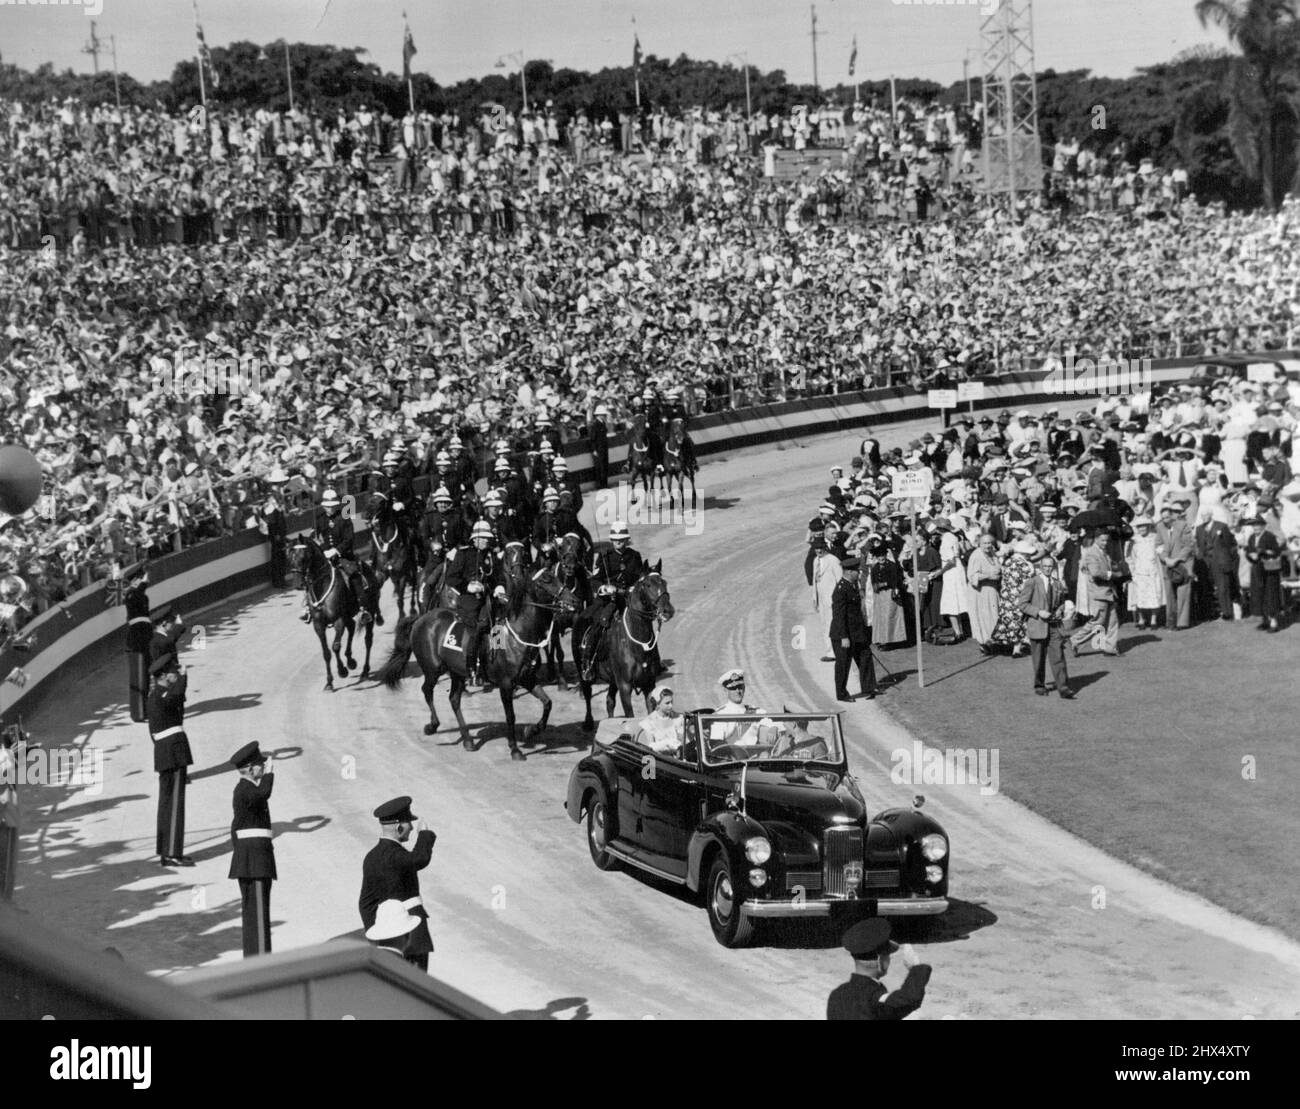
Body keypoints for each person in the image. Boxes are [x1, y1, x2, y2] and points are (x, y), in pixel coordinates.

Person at [358, 796, 437, 971]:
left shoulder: (371, 857)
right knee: (416, 983)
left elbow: (365, 903)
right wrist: (424, 834)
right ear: (399, 826)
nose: (410, 828)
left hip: (387, 928)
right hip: (411, 928)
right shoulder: (394, 855)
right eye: (409, 823)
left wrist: (378, 931)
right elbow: (419, 859)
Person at [827, 918, 931, 1021]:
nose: (889, 959)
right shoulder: (873, 996)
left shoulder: (836, 995)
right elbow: (908, 999)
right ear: (879, 959)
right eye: (888, 955)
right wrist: (916, 968)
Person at [229, 741, 276, 958]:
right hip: (255, 861)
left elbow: (235, 827)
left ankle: (256, 957)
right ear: (249, 768)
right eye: (260, 765)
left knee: (257, 912)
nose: (263, 768)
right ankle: (259, 960)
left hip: (253, 858)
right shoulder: (246, 789)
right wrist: (271, 774)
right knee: (257, 913)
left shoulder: (245, 790)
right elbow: (263, 794)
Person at [146, 654, 195, 866]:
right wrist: (185, 678)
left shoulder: (157, 694)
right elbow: (176, 697)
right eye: (173, 672)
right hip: (172, 752)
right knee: (174, 805)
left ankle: (167, 851)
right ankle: (173, 853)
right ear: (164, 676)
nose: (176, 674)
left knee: (168, 803)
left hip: (167, 752)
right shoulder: (161, 694)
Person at [582, 520, 646, 680]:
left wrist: (633, 588)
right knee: (601, 622)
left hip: (628, 599)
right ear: (612, 540)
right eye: (616, 539)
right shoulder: (605, 556)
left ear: (626, 540)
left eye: (622, 539)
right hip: (609, 600)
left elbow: (640, 578)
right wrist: (604, 588)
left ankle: (653, 660)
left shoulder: (635, 556)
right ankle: (588, 661)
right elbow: (594, 580)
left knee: (645, 622)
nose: (619, 542)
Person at [443, 519, 502, 685]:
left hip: (489, 599)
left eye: (487, 538)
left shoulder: (491, 556)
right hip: (469, 600)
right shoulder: (464, 554)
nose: (485, 541)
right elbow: (451, 578)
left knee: (498, 626)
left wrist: (500, 587)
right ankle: (471, 668)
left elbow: (498, 577)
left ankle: (497, 662)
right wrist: (467, 586)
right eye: (482, 538)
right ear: (474, 539)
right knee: (476, 630)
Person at [1017, 550, 1076, 699]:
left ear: (1054, 567)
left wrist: (1060, 610)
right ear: (1040, 567)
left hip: (1054, 626)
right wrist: (1038, 612)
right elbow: (1022, 604)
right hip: (1038, 625)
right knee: (1039, 658)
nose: (1048, 569)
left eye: (1050, 566)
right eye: (1045, 566)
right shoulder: (1032, 582)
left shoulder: (1057, 583)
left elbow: (1062, 602)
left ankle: (1063, 687)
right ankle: (1039, 685)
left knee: (1058, 657)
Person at [829, 556, 877, 702]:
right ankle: (842, 694)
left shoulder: (852, 585)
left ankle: (869, 687)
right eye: (857, 571)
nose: (859, 573)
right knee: (843, 664)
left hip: (856, 632)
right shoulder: (840, 590)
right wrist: (844, 637)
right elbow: (839, 616)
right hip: (843, 635)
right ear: (849, 572)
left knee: (865, 656)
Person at [1071, 530, 1121, 657]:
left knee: (1112, 621)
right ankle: (1075, 639)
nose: (1105, 543)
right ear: (1096, 539)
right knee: (1098, 621)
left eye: (1106, 540)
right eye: (1102, 540)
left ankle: (1110, 647)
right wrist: (1112, 574)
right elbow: (1095, 572)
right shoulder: (1092, 553)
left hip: (1108, 591)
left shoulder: (1103, 552)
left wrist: (1115, 567)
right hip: (1099, 592)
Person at [1156, 501, 1194, 630]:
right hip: (1167, 565)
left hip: (1182, 564)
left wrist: (1176, 559)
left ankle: (1181, 622)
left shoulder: (1183, 526)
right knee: (1169, 594)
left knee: (1183, 592)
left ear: (1172, 516)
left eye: (1167, 517)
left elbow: (1188, 546)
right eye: (1162, 518)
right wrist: (1166, 559)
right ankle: (1170, 621)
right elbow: (1158, 545)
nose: (1165, 520)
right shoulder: (1160, 527)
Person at [122, 562, 152, 723]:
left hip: (144, 636)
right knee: (139, 677)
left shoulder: (141, 594)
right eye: (140, 578)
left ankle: (144, 709)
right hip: (136, 639)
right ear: (134, 580)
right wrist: (143, 583)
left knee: (145, 676)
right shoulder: (131, 594)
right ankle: (139, 713)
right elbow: (137, 593)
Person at [1243, 515, 1284, 631]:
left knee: (1270, 595)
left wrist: (1263, 552)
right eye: (1253, 525)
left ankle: (1274, 623)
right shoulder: (1251, 537)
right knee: (1258, 595)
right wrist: (1250, 555)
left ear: (1263, 526)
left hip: (1269, 571)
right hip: (1256, 569)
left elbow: (1276, 551)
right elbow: (1249, 551)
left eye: (1258, 525)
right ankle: (1265, 620)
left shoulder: (1269, 536)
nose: (1255, 527)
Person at [1125, 515, 1166, 628]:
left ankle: (1153, 619)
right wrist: (1132, 571)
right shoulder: (1134, 541)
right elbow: (1129, 557)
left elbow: (1160, 552)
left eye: (1144, 526)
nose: (1141, 529)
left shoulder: (1155, 538)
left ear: (1148, 527)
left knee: (1154, 595)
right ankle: (1141, 619)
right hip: (1139, 571)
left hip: (1153, 570)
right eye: (1139, 527)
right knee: (1139, 596)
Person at [965, 533, 1002, 652]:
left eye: (990, 543)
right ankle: (985, 642)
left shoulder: (992, 553)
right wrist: (989, 576)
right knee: (983, 616)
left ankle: (992, 641)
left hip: (991, 590)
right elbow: (972, 576)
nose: (988, 545)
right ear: (979, 544)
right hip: (980, 592)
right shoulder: (976, 556)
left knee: (993, 615)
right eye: (985, 543)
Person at [634, 686, 685, 754]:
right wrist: (666, 744)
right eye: (667, 703)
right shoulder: (649, 722)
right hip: (660, 760)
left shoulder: (677, 718)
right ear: (657, 703)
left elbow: (683, 740)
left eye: (671, 702)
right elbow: (650, 747)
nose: (671, 706)